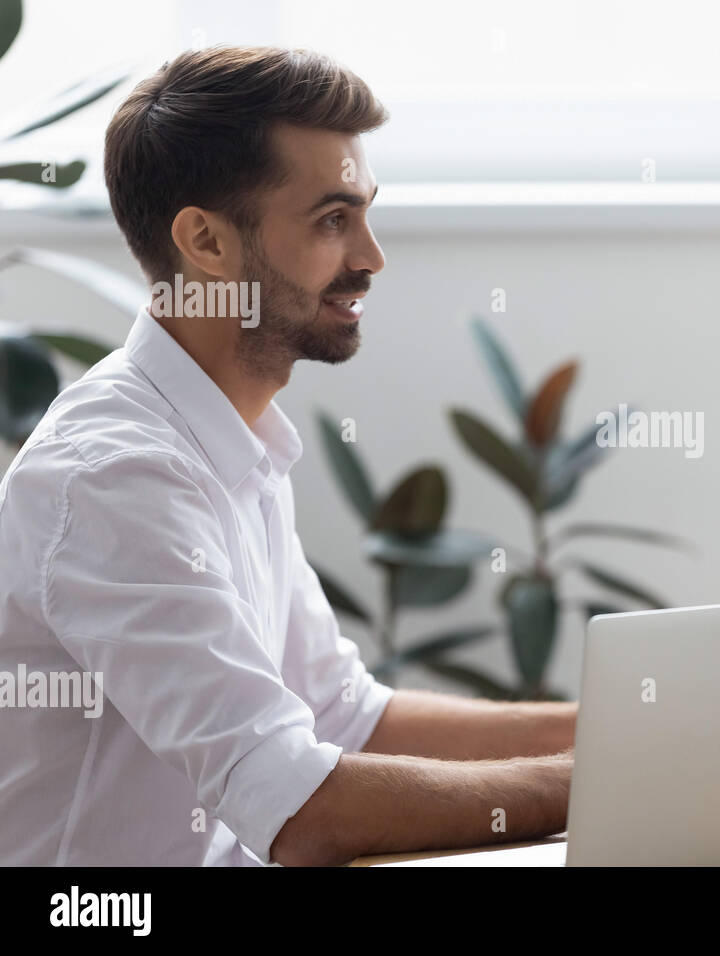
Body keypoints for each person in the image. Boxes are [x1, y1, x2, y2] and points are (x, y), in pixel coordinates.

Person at [0, 46, 573, 867]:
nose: (372, 256)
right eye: (333, 220)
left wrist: (630, 729)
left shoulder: (231, 440)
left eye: (366, 213)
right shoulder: (112, 475)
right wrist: (599, 779)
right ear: (205, 242)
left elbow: (343, 716)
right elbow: (301, 809)